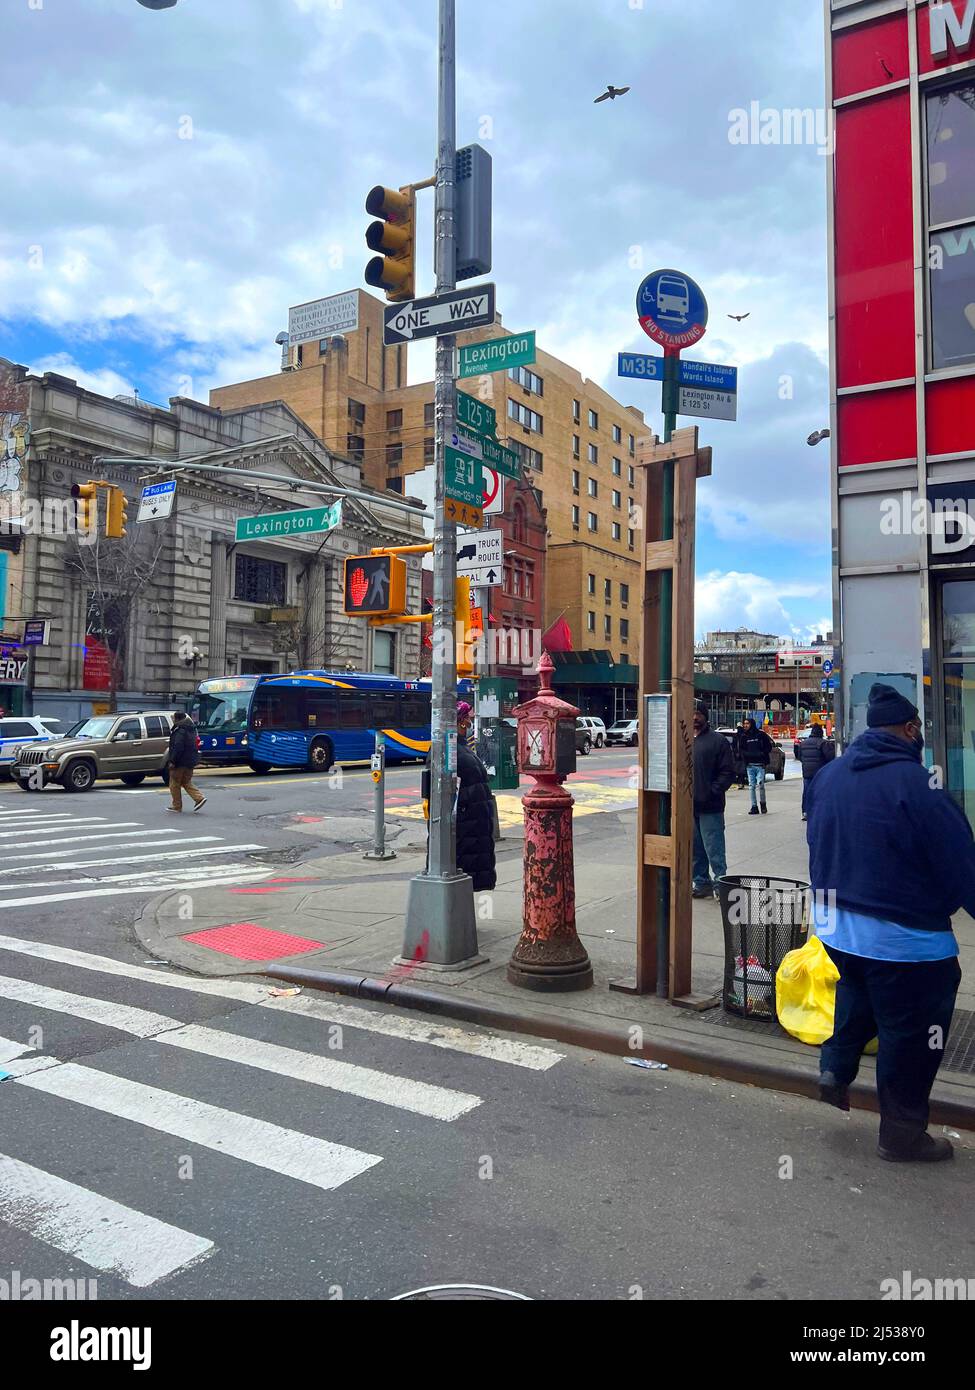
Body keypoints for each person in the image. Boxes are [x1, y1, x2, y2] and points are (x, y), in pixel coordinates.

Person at [807, 682, 971, 1163]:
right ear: (909, 729)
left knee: (859, 988)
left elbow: (817, 838)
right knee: (912, 1030)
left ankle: (835, 1069)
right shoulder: (921, 787)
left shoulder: (830, 776)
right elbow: (963, 866)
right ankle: (900, 1134)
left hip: (834, 927)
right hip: (905, 939)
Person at [692, 700, 736, 900]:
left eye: (698, 714)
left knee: (714, 849)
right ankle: (701, 883)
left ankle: (720, 885)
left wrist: (712, 791)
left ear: (705, 716)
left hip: (711, 807)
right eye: (691, 713)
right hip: (689, 807)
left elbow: (728, 772)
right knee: (696, 851)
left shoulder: (717, 741)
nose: (694, 717)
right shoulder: (684, 739)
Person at [455, 741, 496, 891]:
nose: (469, 722)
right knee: (462, 881)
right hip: (466, 823)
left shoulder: (462, 748)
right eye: (466, 718)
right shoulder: (449, 748)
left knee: (468, 880)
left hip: (474, 822)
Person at [167, 711, 206, 813]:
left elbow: (178, 747)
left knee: (174, 783)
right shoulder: (191, 729)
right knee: (186, 781)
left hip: (180, 762)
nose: (173, 720)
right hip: (190, 761)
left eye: (174, 718)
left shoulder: (180, 731)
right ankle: (199, 798)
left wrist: (173, 761)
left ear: (178, 719)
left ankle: (177, 806)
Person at [795, 722, 835, 820]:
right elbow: (830, 757)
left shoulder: (803, 743)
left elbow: (800, 756)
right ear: (821, 733)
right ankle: (819, 812)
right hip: (820, 772)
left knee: (807, 792)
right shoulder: (823, 743)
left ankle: (805, 812)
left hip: (807, 772)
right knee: (820, 792)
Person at [737, 715, 775, 815]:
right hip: (749, 765)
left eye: (747, 723)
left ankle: (763, 804)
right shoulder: (743, 736)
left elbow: (768, 747)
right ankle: (754, 806)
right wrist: (745, 755)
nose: (745, 725)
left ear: (752, 724)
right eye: (744, 724)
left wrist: (762, 754)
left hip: (760, 764)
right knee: (751, 786)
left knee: (761, 785)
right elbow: (741, 749)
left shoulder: (761, 735)